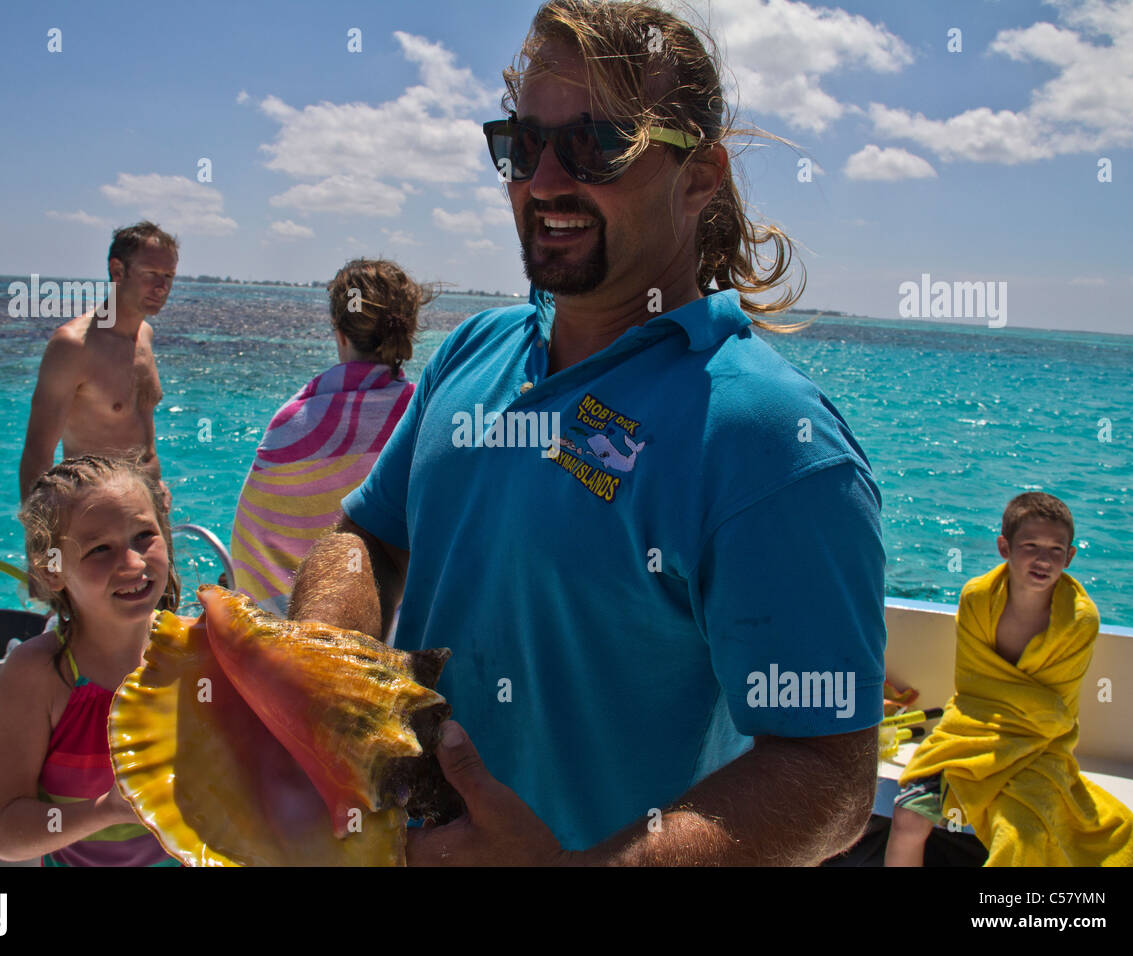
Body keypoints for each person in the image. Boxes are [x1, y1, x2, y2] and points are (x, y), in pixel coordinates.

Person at [286, 0, 885, 865]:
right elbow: (368, 538)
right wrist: (325, 672)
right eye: (522, 145)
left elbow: (828, 773)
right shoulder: (474, 351)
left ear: (701, 174)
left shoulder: (769, 439)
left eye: (598, 145)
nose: (546, 180)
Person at [885, 492, 1133, 866]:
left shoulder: (1079, 619)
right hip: (968, 736)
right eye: (1030, 545)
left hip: (1038, 748)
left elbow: (1054, 715)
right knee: (908, 817)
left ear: (1069, 557)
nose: (1043, 559)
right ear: (1004, 547)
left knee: (1022, 832)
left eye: (1056, 549)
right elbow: (974, 691)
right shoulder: (978, 598)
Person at [0, 455, 182, 866]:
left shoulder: (197, 655)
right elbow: (4, 832)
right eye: (99, 549)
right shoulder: (38, 676)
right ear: (52, 571)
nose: (133, 563)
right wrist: (105, 811)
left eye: (144, 535)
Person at [229, 259, 430, 616]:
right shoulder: (425, 417)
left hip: (290, 642)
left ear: (339, 331)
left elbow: (254, 545)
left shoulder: (292, 420)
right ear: (408, 331)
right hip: (394, 649)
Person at [18, 222, 178, 509]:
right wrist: (42, 542)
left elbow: (140, 439)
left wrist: (155, 485)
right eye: (151, 274)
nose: (161, 287)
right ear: (117, 271)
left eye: (168, 276)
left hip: (149, 508)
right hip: (97, 515)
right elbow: (37, 454)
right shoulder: (73, 346)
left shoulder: (145, 336)